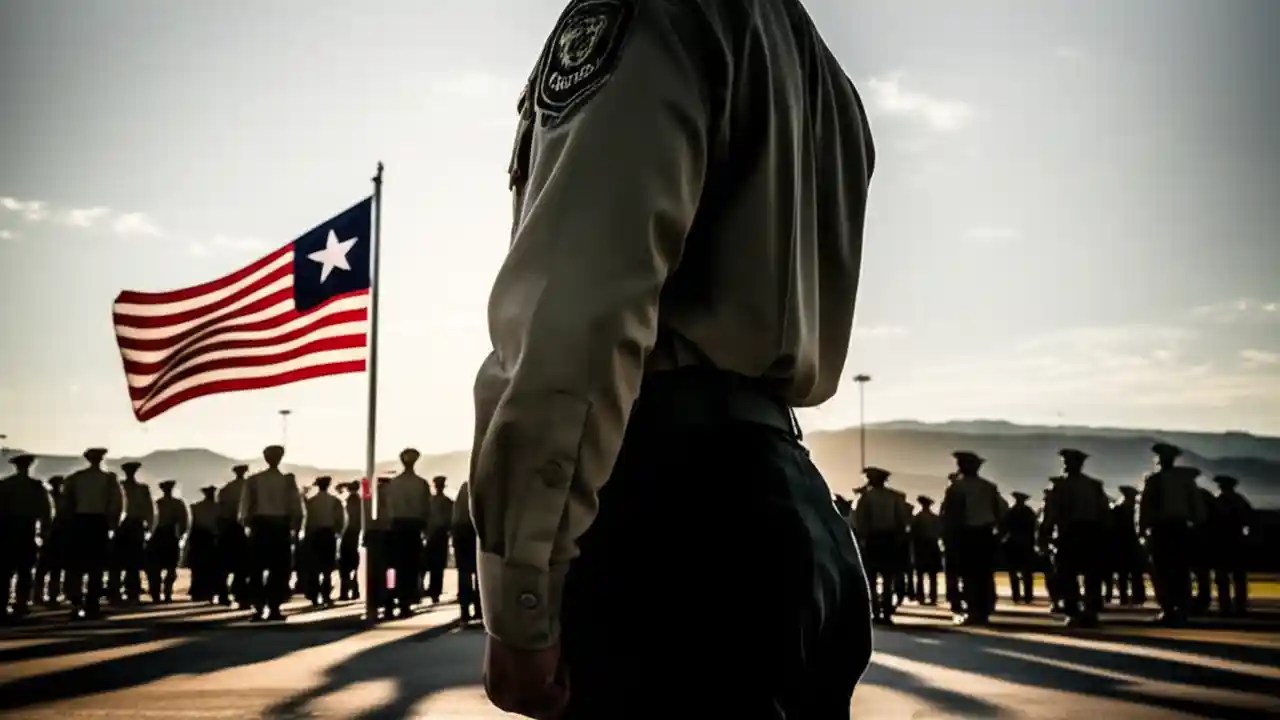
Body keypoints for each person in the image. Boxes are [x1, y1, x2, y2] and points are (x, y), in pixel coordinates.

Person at [471, 1, 875, 715]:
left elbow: (583, 309)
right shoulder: (821, 71)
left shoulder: (649, 11)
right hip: (783, 497)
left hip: (668, 522)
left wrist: (522, 596)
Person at [1042, 449, 1110, 628]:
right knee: (1085, 574)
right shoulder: (1093, 485)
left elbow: (1051, 512)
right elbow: (1104, 512)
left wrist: (1045, 532)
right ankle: (1086, 611)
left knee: (1070, 573)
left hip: (1073, 532)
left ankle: (1078, 611)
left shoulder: (1061, 486)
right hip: (1084, 532)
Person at [1139, 443, 1205, 626]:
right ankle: (1173, 607)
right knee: (1169, 570)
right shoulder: (1181, 481)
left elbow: (1144, 508)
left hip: (1171, 529)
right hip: (1170, 528)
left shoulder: (1158, 481)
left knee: (1172, 570)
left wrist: (1142, 530)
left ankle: (1175, 607)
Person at [239, 446, 303, 622]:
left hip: (261, 527)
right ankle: (273, 606)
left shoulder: (254, 480)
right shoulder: (287, 481)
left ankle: (259, 607)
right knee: (279, 570)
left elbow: (245, 508)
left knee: (257, 569)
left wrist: (247, 526)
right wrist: (295, 528)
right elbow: (296, 507)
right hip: (279, 527)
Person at [941, 452, 1006, 625]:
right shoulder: (989, 487)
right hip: (985, 534)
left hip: (965, 534)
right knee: (984, 574)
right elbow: (1001, 511)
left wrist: (948, 536)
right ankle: (984, 608)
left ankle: (972, 609)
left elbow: (951, 515)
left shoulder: (956, 488)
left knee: (968, 574)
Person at [62, 448, 123, 619]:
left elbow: (67, 503)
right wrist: (113, 525)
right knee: (95, 566)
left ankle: (77, 601)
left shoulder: (76, 478)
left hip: (80, 522)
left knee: (78, 565)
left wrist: (67, 522)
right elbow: (117, 504)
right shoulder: (109, 479)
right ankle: (91, 603)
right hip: (98, 523)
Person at [0, 454, 53, 621]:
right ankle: (21, 604)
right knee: (25, 570)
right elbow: (47, 511)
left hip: (7, 530)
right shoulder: (36, 487)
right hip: (26, 530)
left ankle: (4, 604)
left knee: (5, 571)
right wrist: (45, 532)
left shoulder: (5, 485)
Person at [854, 467, 909, 625]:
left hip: (872, 539)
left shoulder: (866, 497)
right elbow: (902, 520)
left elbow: (860, 521)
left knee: (871, 578)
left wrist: (862, 540)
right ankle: (886, 610)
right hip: (890, 539)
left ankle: (875, 611)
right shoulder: (895, 497)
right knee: (887, 577)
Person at [385, 449, 432, 617]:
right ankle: (405, 602)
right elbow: (427, 509)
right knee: (410, 568)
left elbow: (388, 507)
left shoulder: (393, 483)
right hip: (413, 528)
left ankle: (389, 600)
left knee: (392, 568)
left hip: (395, 527)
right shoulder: (422, 484)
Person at [109, 461, 154, 605]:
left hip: (133, 525)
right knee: (118, 562)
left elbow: (149, 510)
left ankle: (130, 591)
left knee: (131, 563)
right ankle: (117, 591)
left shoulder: (140, 489)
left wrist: (149, 527)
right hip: (123, 526)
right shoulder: (124, 488)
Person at [1208, 475, 1253, 617]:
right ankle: (1240, 605)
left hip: (1222, 542)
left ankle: (1225, 605)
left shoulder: (1218, 501)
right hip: (1236, 541)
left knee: (1223, 576)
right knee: (1238, 576)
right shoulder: (1239, 500)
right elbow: (1249, 519)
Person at [304, 476, 346, 606]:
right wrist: (338, 533)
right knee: (327, 567)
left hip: (314, 534)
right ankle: (326, 595)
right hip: (328, 534)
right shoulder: (335, 501)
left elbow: (307, 521)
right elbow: (341, 520)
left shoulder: (311, 502)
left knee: (314, 567)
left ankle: (314, 595)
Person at [217, 464, 252, 609]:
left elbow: (220, 511)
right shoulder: (249, 487)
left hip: (228, 528)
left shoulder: (226, 489)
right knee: (243, 566)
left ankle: (223, 593)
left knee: (225, 564)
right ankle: (241, 595)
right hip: (243, 528)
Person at [149, 480, 188, 603]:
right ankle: (163, 593)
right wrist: (180, 534)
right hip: (165, 535)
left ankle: (162, 593)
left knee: (164, 567)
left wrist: (180, 534)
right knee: (164, 567)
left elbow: (183, 521)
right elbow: (184, 521)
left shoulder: (159, 503)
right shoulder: (175, 504)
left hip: (165, 534)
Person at [1108, 486, 1146, 607]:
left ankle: (1129, 597)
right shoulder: (1125, 510)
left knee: (1126, 572)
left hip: (1123, 543)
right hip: (1124, 543)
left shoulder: (1121, 509)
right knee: (1128, 572)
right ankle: (1131, 596)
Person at [34, 475, 68, 607]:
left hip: (54, 535)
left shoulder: (50, 498)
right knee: (51, 568)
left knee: (50, 568)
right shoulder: (63, 500)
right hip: (53, 535)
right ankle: (47, 595)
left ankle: (43, 595)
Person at [1001, 491, 1038, 605]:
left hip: (1014, 544)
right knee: (1026, 571)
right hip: (1025, 544)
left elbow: (1004, 527)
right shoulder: (1029, 512)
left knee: (1014, 571)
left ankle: (1017, 595)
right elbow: (1034, 528)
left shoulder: (1011, 512)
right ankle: (1027, 595)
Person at [453, 480, 482, 623]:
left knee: (464, 572)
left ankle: (464, 610)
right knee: (480, 574)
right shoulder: (487, 485)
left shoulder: (465, 486)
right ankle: (479, 609)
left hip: (461, 531)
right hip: (478, 531)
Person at [423, 476, 454, 605]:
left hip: (432, 534)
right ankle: (435, 591)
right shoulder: (448, 502)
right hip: (441, 535)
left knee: (427, 563)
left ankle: (429, 589)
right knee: (438, 565)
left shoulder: (430, 501)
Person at [188, 486, 221, 602]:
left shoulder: (196, 507)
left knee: (198, 568)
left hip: (199, 539)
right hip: (211, 539)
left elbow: (193, 525)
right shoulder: (219, 508)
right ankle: (209, 592)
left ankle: (198, 593)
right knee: (211, 568)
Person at [910, 496, 942, 606]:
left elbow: (912, 533)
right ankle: (933, 597)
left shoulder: (917, 518)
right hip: (932, 545)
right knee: (932, 575)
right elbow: (939, 532)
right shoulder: (935, 518)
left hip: (921, 546)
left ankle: (921, 597)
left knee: (920, 574)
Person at [339, 481, 363, 601]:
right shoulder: (359, 500)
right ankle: (354, 589)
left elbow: (348, 518)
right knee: (353, 564)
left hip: (349, 533)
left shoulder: (351, 500)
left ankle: (345, 591)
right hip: (356, 534)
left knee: (345, 564)